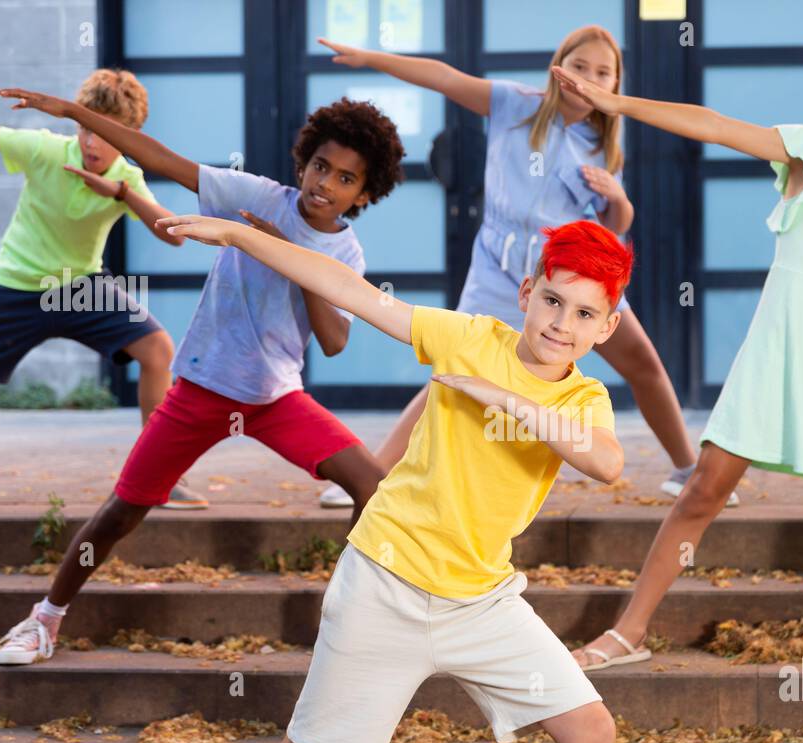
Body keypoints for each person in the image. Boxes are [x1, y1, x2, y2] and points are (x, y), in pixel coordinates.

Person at [158, 211, 631, 743]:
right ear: (527, 293)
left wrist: (506, 401)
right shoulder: (467, 336)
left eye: (582, 313)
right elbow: (353, 291)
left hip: (481, 600)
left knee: (592, 733)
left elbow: (605, 463)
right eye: (552, 299)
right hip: (386, 578)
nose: (560, 323)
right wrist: (243, 236)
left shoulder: (584, 400)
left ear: (606, 328)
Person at [551, 47, 803, 672]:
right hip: (779, 353)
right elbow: (713, 123)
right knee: (704, 490)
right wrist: (618, 103)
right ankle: (628, 633)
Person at [0, 86, 404, 666]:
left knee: (374, 486)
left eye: (345, 179)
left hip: (276, 398)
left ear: (365, 191)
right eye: (320, 167)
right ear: (304, 161)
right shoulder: (258, 195)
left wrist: (292, 258)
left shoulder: (346, 253)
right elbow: (161, 160)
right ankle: (44, 620)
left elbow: (333, 341)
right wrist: (78, 115)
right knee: (121, 512)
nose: (325, 185)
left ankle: (356, 619)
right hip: (204, 387)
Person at [313, 24, 737, 509]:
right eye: (579, 66)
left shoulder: (604, 145)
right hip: (499, 268)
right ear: (559, 69)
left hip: (572, 276)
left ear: (615, 86)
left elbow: (615, 224)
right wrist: (371, 58)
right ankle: (372, 476)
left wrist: (618, 197)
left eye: (603, 72)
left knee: (643, 362)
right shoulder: (516, 104)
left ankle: (687, 468)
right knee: (454, 364)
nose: (588, 78)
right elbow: (444, 78)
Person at [0, 69, 204, 512]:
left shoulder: (127, 179)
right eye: (84, 128)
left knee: (156, 349)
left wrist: (119, 193)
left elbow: (173, 235)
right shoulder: (45, 150)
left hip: (79, 288)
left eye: (105, 134)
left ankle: (159, 477)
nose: (92, 143)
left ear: (129, 136)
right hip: (16, 285)